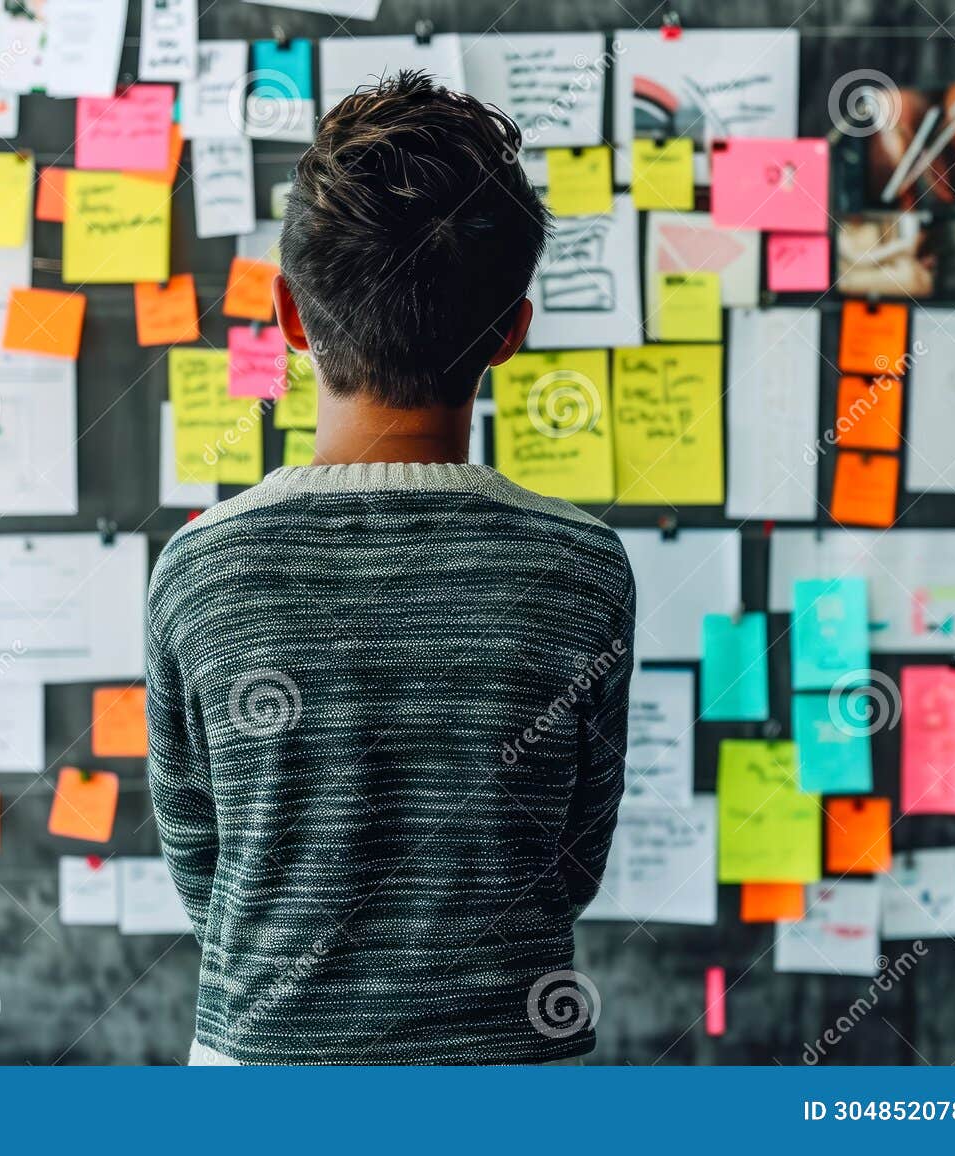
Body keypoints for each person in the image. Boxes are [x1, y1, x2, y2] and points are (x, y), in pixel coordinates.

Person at [147, 71, 635, 1066]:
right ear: (511, 331)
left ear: (287, 315)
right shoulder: (583, 568)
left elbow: (201, 868)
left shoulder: (199, 568)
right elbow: (571, 862)